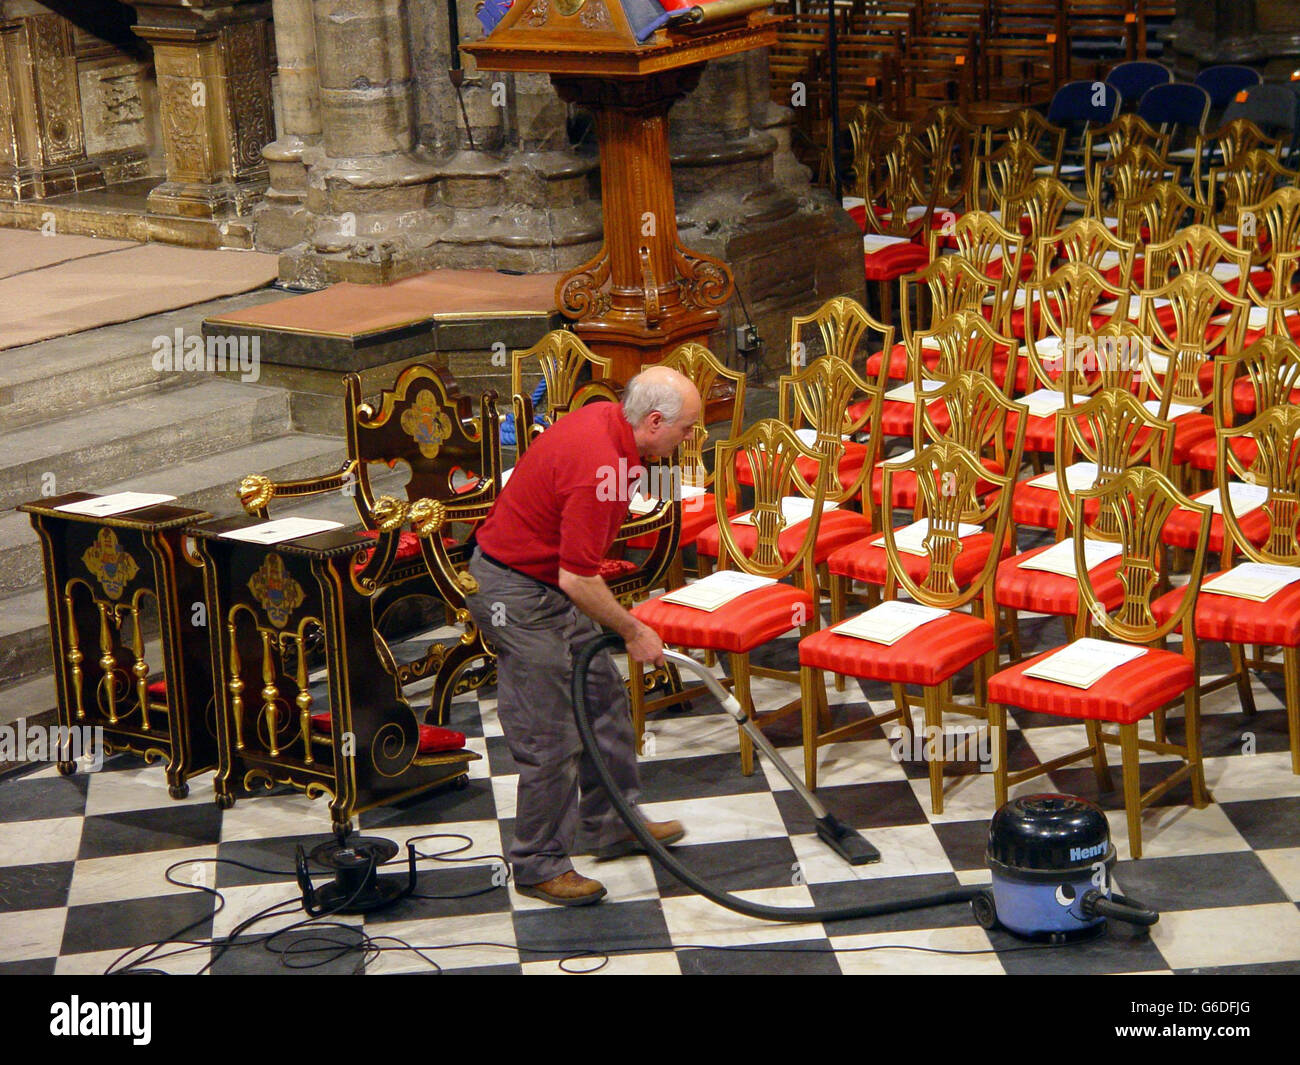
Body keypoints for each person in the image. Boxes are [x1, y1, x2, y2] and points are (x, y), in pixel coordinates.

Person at [466, 365, 702, 906]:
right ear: (655, 419)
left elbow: (603, 514)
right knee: (549, 732)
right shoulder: (599, 464)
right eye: (688, 429)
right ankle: (537, 863)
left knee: (602, 699)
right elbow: (580, 577)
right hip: (515, 593)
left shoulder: (609, 422)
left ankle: (612, 823)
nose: (691, 439)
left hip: (548, 583)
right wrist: (633, 629)